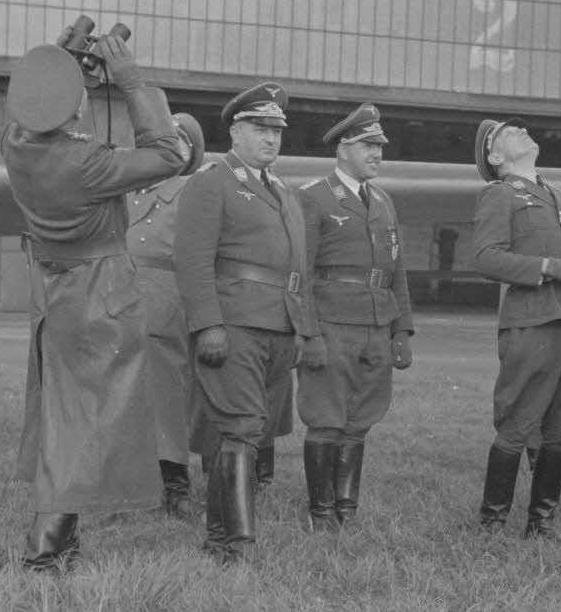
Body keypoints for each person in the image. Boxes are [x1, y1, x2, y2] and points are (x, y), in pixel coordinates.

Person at [1, 33, 186, 571]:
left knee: (68, 412)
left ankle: (66, 536)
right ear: (75, 103)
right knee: (89, 421)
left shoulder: (15, 148)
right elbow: (169, 153)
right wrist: (131, 80)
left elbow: (24, 115)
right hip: (102, 294)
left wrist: (60, 58)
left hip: (57, 293)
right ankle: (44, 547)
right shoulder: (90, 163)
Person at [175, 82, 310, 564]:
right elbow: (191, 261)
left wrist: (303, 330)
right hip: (233, 326)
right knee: (239, 429)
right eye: (260, 127)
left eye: (276, 129)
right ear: (235, 130)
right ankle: (238, 546)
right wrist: (207, 325)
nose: (271, 138)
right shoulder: (212, 182)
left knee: (251, 432)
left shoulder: (284, 192)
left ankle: (219, 537)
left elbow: (299, 270)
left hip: (278, 328)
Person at [472, 117, 561, 539]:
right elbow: (487, 258)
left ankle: (541, 520)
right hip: (533, 322)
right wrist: (550, 268)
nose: (523, 132)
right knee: (517, 422)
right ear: (496, 156)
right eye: (511, 134)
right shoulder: (500, 195)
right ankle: (492, 521)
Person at [296, 103, 415, 530]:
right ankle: (321, 511)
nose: (377, 154)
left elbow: (396, 270)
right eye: (367, 145)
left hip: (376, 327)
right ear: (342, 148)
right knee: (326, 418)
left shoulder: (383, 201)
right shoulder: (313, 196)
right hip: (331, 324)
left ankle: (347, 508)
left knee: (360, 420)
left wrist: (402, 329)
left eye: (380, 146)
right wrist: (307, 334)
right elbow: (300, 273)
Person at [126, 112, 207, 520]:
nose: (171, 147)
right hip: (119, 301)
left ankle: (174, 483)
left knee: (167, 395)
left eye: (181, 141)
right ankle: (126, 483)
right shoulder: (128, 191)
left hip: (167, 303)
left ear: (192, 154)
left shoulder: (194, 191)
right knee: (122, 395)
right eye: (162, 139)